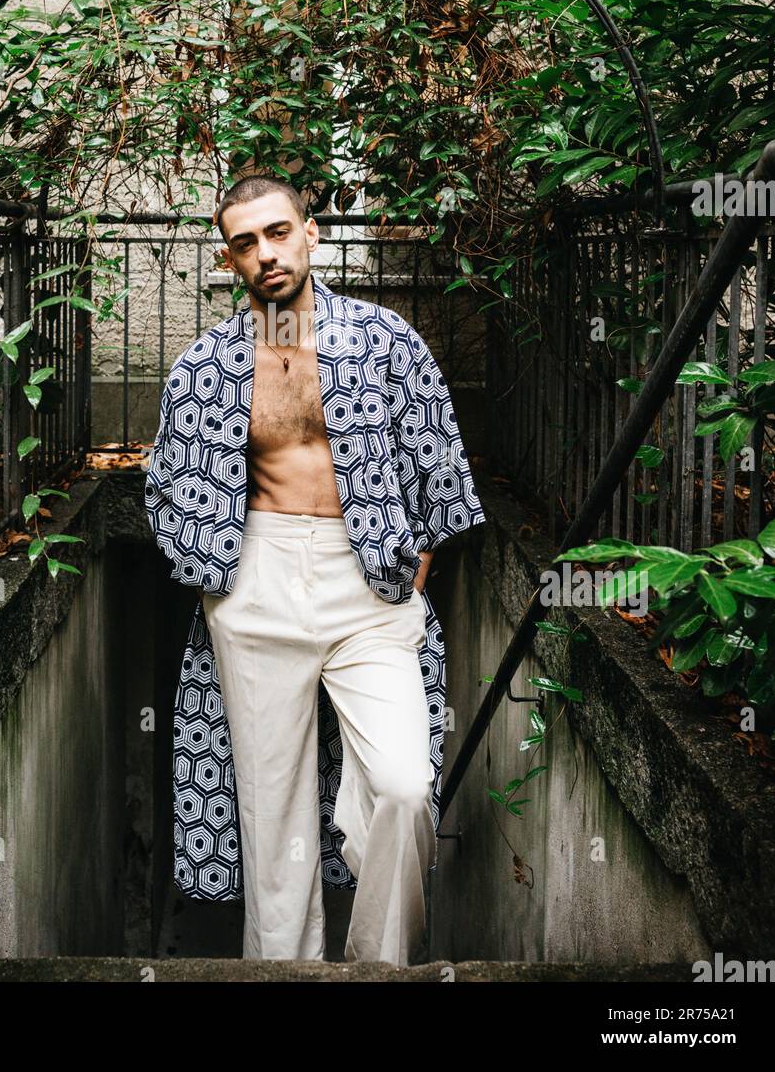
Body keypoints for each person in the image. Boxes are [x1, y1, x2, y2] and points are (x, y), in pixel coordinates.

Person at [145, 175, 485, 963]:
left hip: (366, 583)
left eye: (276, 232)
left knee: (402, 783)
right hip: (254, 581)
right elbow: (167, 487)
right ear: (230, 259)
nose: (265, 254)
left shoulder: (384, 341)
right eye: (244, 242)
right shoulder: (204, 367)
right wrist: (216, 585)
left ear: (310, 232)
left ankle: (380, 968)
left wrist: (414, 574)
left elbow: (436, 469)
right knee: (274, 818)